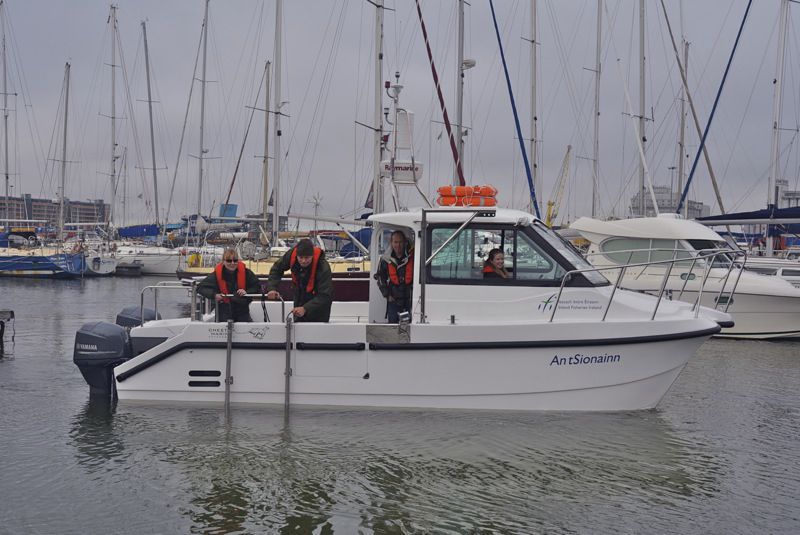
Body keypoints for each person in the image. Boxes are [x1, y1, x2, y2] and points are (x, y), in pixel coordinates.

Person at [265, 238, 333, 322]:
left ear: (312, 256)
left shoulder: (323, 266)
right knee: (298, 325)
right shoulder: (291, 255)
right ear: (297, 255)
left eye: (307, 258)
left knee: (316, 328)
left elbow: (325, 295)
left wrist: (305, 308)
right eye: (301, 257)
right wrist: (272, 288)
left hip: (319, 306)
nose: (303, 261)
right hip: (299, 299)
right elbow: (277, 269)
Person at [197, 248, 261, 322]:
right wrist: (214, 295)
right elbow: (200, 288)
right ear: (223, 261)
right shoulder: (216, 275)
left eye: (235, 260)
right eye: (229, 261)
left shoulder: (247, 273)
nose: (232, 263)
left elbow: (257, 285)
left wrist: (246, 292)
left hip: (242, 311)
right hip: (223, 311)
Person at [375, 230, 414, 323]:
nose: (398, 245)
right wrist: (387, 295)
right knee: (393, 325)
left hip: (410, 300)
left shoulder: (413, 257)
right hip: (393, 301)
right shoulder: (385, 259)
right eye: (395, 242)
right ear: (391, 243)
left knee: (410, 327)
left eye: (400, 242)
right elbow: (380, 277)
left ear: (405, 242)